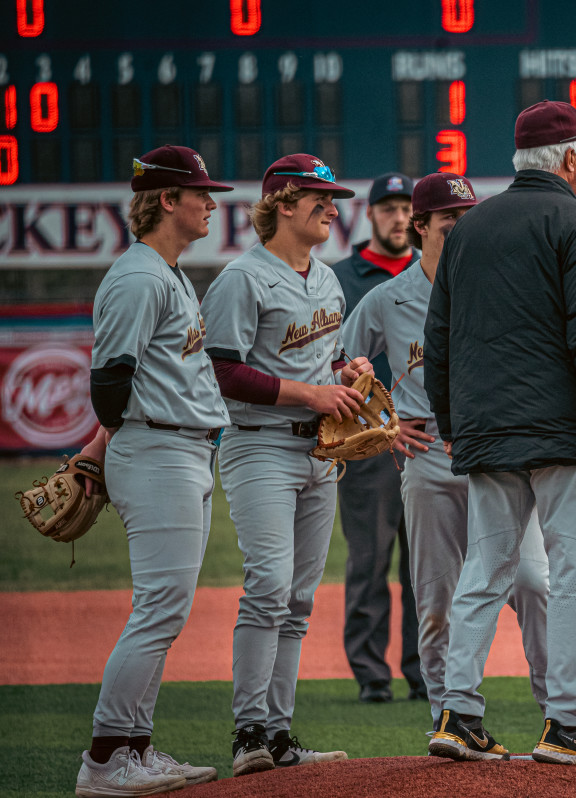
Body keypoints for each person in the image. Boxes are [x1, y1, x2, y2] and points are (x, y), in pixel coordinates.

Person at [423, 100, 576, 765]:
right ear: (570, 158)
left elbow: (439, 340)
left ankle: (457, 715)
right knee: (572, 570)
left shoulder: (469, 228)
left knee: (484, 569)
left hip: (486, 428)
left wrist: (453, 423)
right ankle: (568, 722)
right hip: (560, 428)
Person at [340, 172, 550, 732]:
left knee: (533, 581)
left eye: (465, 217)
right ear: (421, 225)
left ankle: (560, 712)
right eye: (448, 219)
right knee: (435, 600)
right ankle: (448, 715)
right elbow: (339, 366)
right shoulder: (387, 298)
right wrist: (385, 429)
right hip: (430, 456)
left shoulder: (499, 285)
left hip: (500, 453)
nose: (459, 227)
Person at [201, 154, 368, 776]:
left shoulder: (325, 279)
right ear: (284, 204)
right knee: (268, 586)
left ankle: (277, 734)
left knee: (297, 599)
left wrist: (347, 373)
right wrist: (311, 393)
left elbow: (327, 358)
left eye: (333, 199)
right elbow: (220, 370)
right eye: (321, 199)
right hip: (260, 444)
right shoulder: (242, 279)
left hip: (319, 451)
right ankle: (247, 734)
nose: (332, 208)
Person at [76, 145, 232, 796]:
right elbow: (110, 383)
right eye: (199, 193)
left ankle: (134, 750)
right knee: (159, 608)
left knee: (164, 609)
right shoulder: (139, 276)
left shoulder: (165, 272)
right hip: (158, 449)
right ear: (167, 201)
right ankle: (106, 758)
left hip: (180, 448)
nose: (210, 203)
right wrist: (108, 447)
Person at [329, 172, 426, 704]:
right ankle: (371, 674)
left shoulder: (433, 274)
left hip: (424, 441)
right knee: (368, 560)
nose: (396, 217)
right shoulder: (341, 278)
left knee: (427, 565)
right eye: (387, 207)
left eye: (405, 207)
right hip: (367, 443)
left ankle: (421, 671)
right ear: (370, 215)